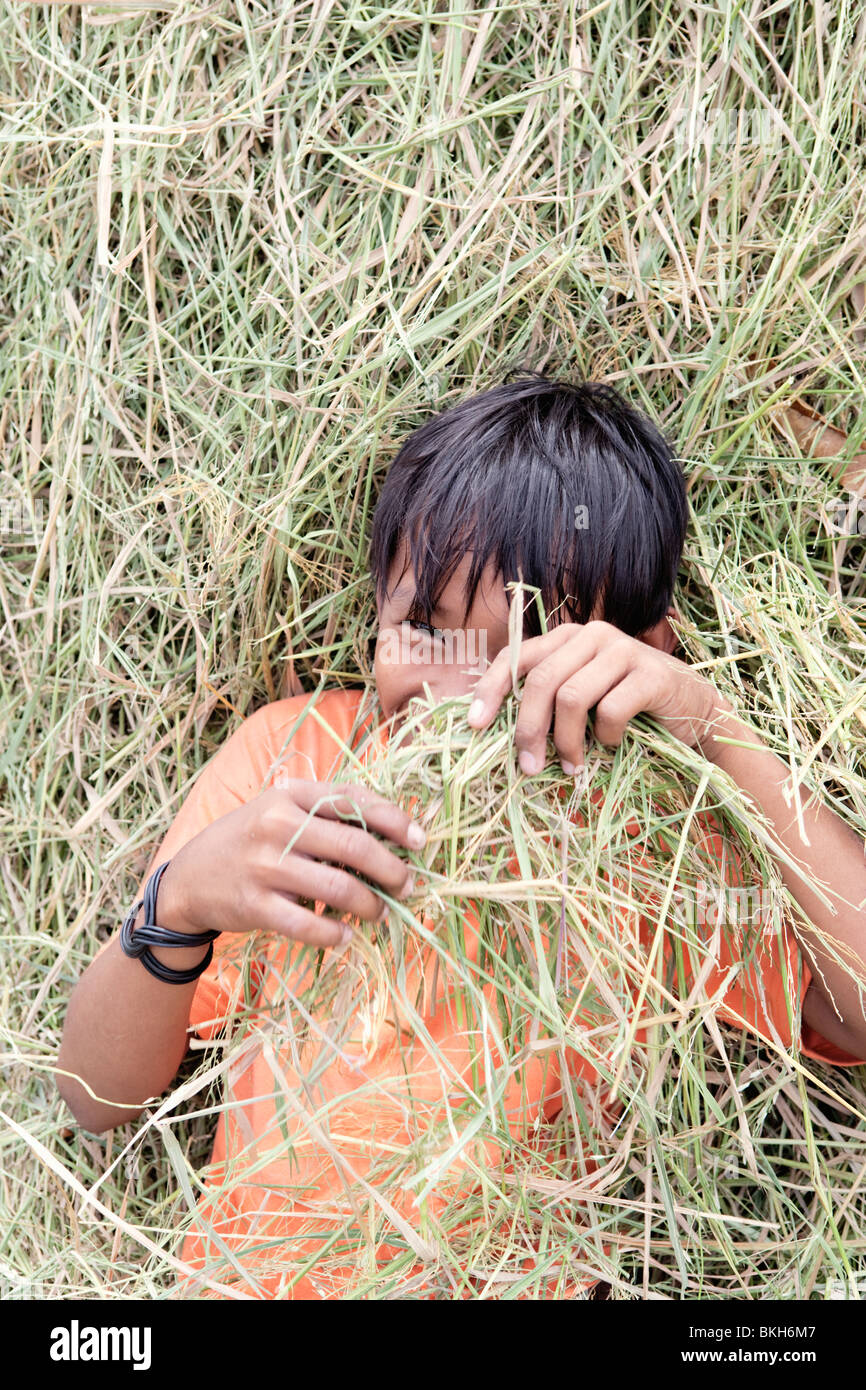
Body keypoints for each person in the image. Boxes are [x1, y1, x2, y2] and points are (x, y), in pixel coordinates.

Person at [56, 371, 866, 1299]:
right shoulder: (294, 765)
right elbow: (94, 1099)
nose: (458, 699)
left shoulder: (646, 845)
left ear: (633, 657)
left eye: (524, 656)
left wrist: (709, 724)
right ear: (375, 609)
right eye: (427, 632)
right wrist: (180, 904)